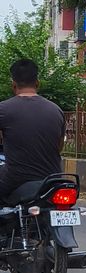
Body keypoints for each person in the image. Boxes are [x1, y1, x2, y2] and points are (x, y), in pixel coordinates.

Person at [0, 59, 66, 204]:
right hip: (53, 178)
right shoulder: (56, 110)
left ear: (13, 85)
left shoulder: (3, 109)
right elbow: (59, 147)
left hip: (15, 178)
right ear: (37, 83)